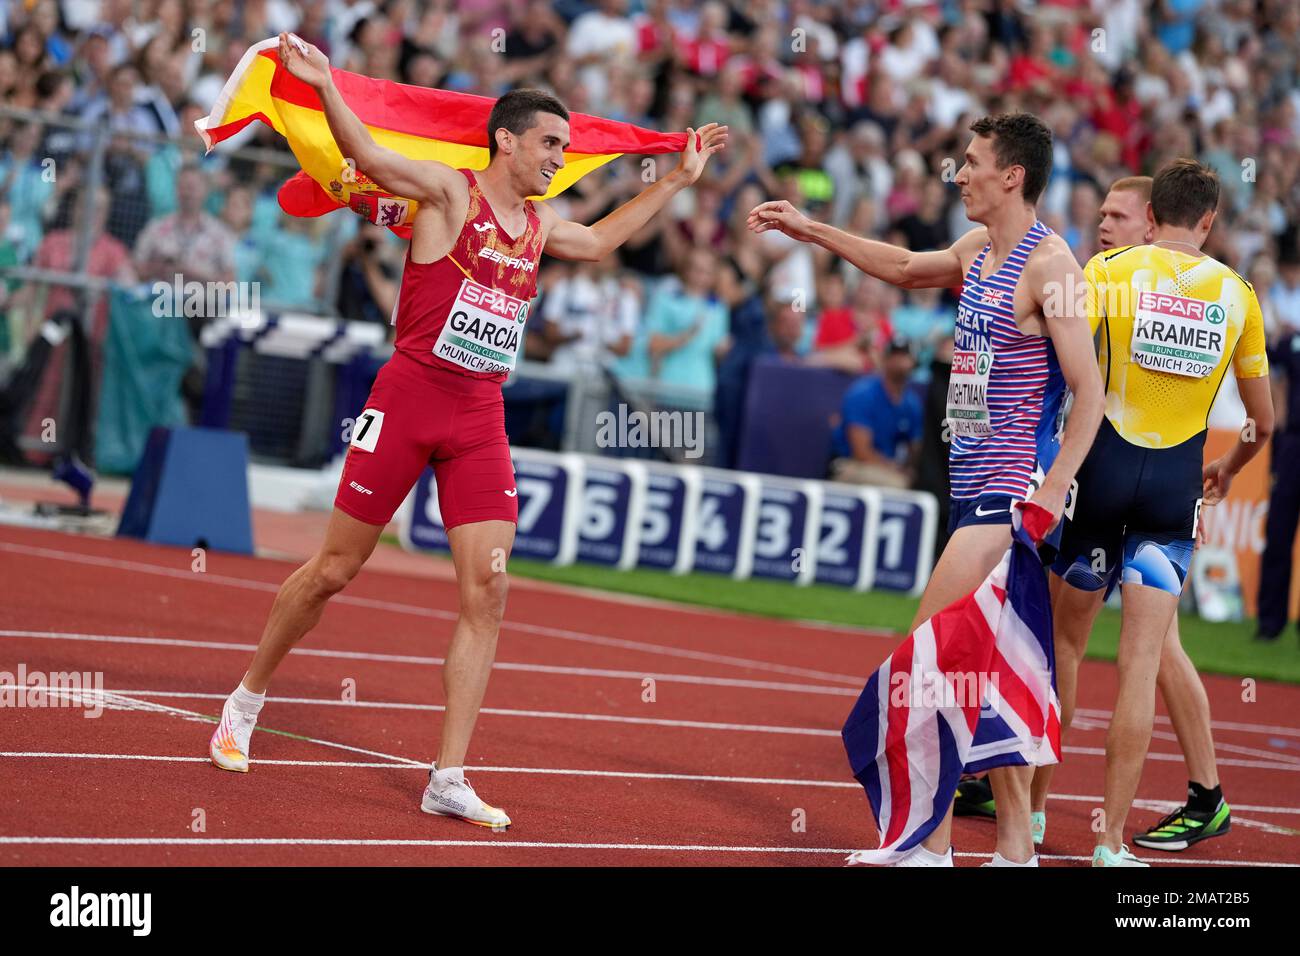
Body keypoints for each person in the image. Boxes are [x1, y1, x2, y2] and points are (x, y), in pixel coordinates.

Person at [208, 33, 727, 829]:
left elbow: (606, 239)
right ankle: (246, 700)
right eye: (551, 142)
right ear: (507, 141)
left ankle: (447, 774)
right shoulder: (451, 196)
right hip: (411, 397)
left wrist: (680, 182)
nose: (563, 155)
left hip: (479, 415)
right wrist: (325, 87)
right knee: (335, 570)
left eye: (567, 144)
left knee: (488, 589)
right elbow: (374, 160)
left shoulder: (544, 226)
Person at [750, 112, 1105, 867]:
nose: (960, 173)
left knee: (926, 661)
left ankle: (927, 844)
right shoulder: (980, 248)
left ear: (1013, 175)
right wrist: (812, 231)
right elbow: (910, 269)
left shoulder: (1055, 270)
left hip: (1007, 499)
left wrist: (1051, 492)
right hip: (970, 486)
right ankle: (1013, 849)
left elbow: (1091, 394)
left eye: (973, 162)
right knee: (988, 673)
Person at [1049, 159, 1273, 866]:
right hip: (1175, 487)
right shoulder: (1238, 295)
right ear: (1209, 220)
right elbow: (1261, 424)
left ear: (1152, 214)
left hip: (1101, 470)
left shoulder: (1110, 270)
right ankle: (1110, 843)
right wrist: (1228, 469)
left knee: (1066, 650)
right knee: (1140, 665)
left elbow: (1064, 364)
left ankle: (1026, 818)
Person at [828, 338, 922, 489]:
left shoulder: (911, 402)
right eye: (894, 355)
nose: (899, 361)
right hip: (849, 464)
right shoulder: (863, 393)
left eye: (905, 356)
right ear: (885, 359)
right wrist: (894, 469)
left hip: (888, 467)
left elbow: (916, 448)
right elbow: (861, 452)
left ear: (914, 362)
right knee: (897, 484)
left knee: (923, 483)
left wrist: (910, 469)